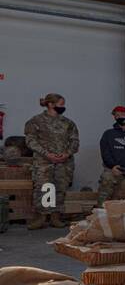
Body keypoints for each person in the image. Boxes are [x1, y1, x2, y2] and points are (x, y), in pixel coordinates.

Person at [24, 93, 78, 230]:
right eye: (61, 104)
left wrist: (67, 154)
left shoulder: (68, 123)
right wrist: (47, 154)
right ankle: (42, 216)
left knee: (60, 188)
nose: (63, 107)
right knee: (44, 188)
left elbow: (75, 141)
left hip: (64, 162)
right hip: (44, 162)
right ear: (50, 104)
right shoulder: (35, 121)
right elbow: (30, 141)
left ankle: (56, 216)